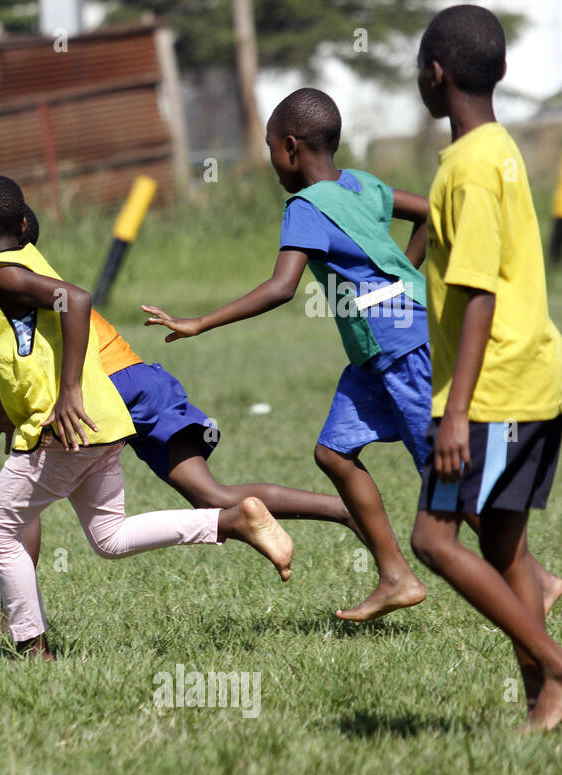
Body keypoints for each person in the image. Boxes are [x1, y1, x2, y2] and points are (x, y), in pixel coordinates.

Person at [0, 203, 353, 534]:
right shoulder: (21, 282)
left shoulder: (10, 282)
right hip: (140, 383)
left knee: (14, 514)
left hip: (110, 390)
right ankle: (345, 510)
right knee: (209, 496)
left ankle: (23, 628)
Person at [0, 175, 293, 660]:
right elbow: (38, 348)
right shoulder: (28, 258)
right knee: (110, 537)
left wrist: (66, 395)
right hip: (105, 423)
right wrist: (18, 402)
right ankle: (231, 522)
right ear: (24, 225)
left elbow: (77, 299)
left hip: (68, 427)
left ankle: (31, 646)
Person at [144, 88, 440, 623]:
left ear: (289, 147)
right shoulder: (362, 185)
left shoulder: (305, 206)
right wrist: (401, 277)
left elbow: (282, 288)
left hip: (402, 347)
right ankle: (396, 576)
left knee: (443, 472)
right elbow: (429, 214)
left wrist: (201, 322)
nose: (270, 160)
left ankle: (529, 578)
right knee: (333, 453)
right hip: (376, 353)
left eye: (268, 148)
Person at [408, 4, 562, 730]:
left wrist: (458, 411)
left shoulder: (468, 169)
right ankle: (544, 702)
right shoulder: (498, 148)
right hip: (530, 376)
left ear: (434, 75)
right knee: (503, 546)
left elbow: (475, 294)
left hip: (494, 390)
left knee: (434, 539)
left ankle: (557, 669)